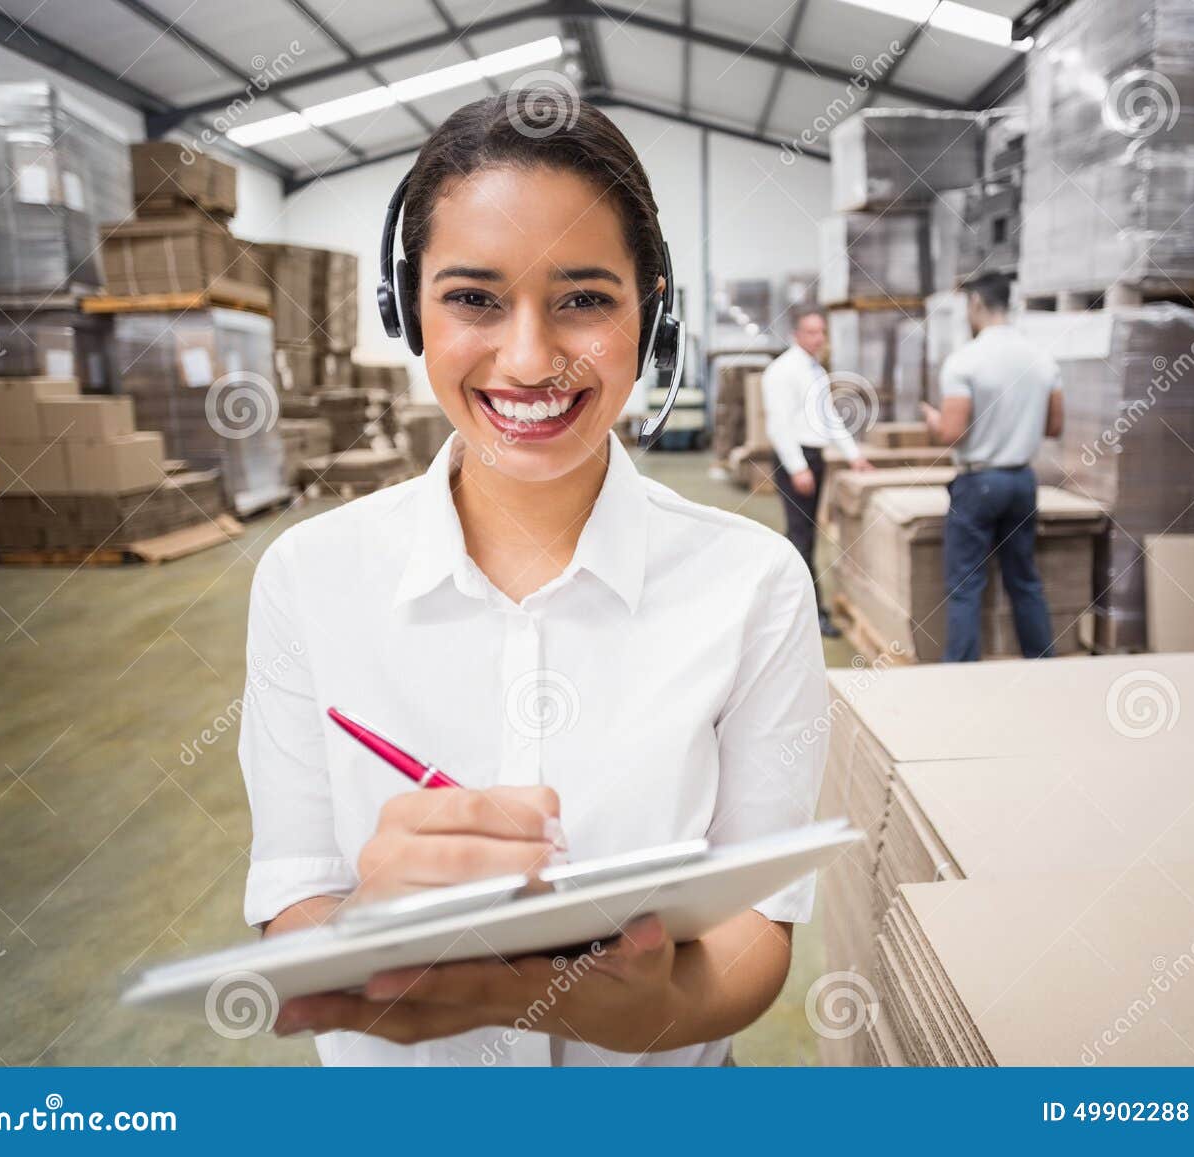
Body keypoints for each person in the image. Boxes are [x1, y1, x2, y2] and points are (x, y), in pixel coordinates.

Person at [238, 94, 827, 1067]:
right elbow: (292, 893)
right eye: (472, 298)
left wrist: (645, 1012)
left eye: (584, 299)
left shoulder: (753, 583)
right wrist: (354, 934)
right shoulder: (308, 578)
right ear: (408, 311)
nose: (527, 358)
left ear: (653, 316)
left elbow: (755, 921)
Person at [920, 271, 1064, 662]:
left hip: (980, 482)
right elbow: (1054, 426)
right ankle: (1043, 663)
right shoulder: (1043, 359)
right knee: (1025, 581)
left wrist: (934, 421)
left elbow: (953, 432)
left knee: (966, 585)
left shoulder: (965, 362)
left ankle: (962, 675)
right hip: (1021, 480)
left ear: (977, 304)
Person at [761, 309, 873, 638]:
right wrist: (797, 467)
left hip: (815, 458)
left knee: (804, 535)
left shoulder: (815, 370)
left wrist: (854, 455)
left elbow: (830, 418)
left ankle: (795, 606)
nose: (819, 338)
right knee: (801, 539)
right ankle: (809, 614)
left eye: (822, 332)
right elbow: (778, 425)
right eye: (811, 332)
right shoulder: (782, 371)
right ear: (796, 334)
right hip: (797, 460)